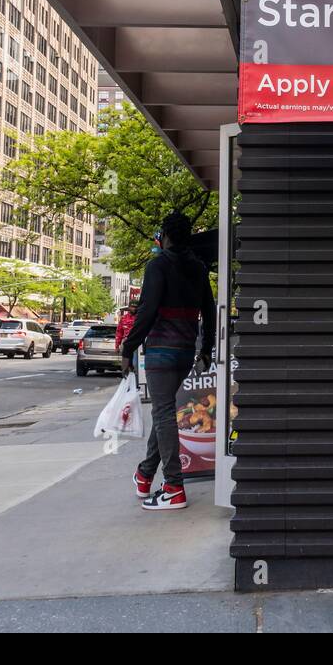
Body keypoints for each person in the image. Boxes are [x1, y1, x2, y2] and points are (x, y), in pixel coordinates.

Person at [121, 211, 215, 511]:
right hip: (186, 351)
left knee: (162, 414)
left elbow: (146, 311)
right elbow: (210, 313)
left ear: (167, 236)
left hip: (161, 349)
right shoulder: (199, 268)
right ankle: (145, 474)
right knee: (164, 412)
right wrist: (206, 350)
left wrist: (128, 348)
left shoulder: (158, 265)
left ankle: (174, 487)